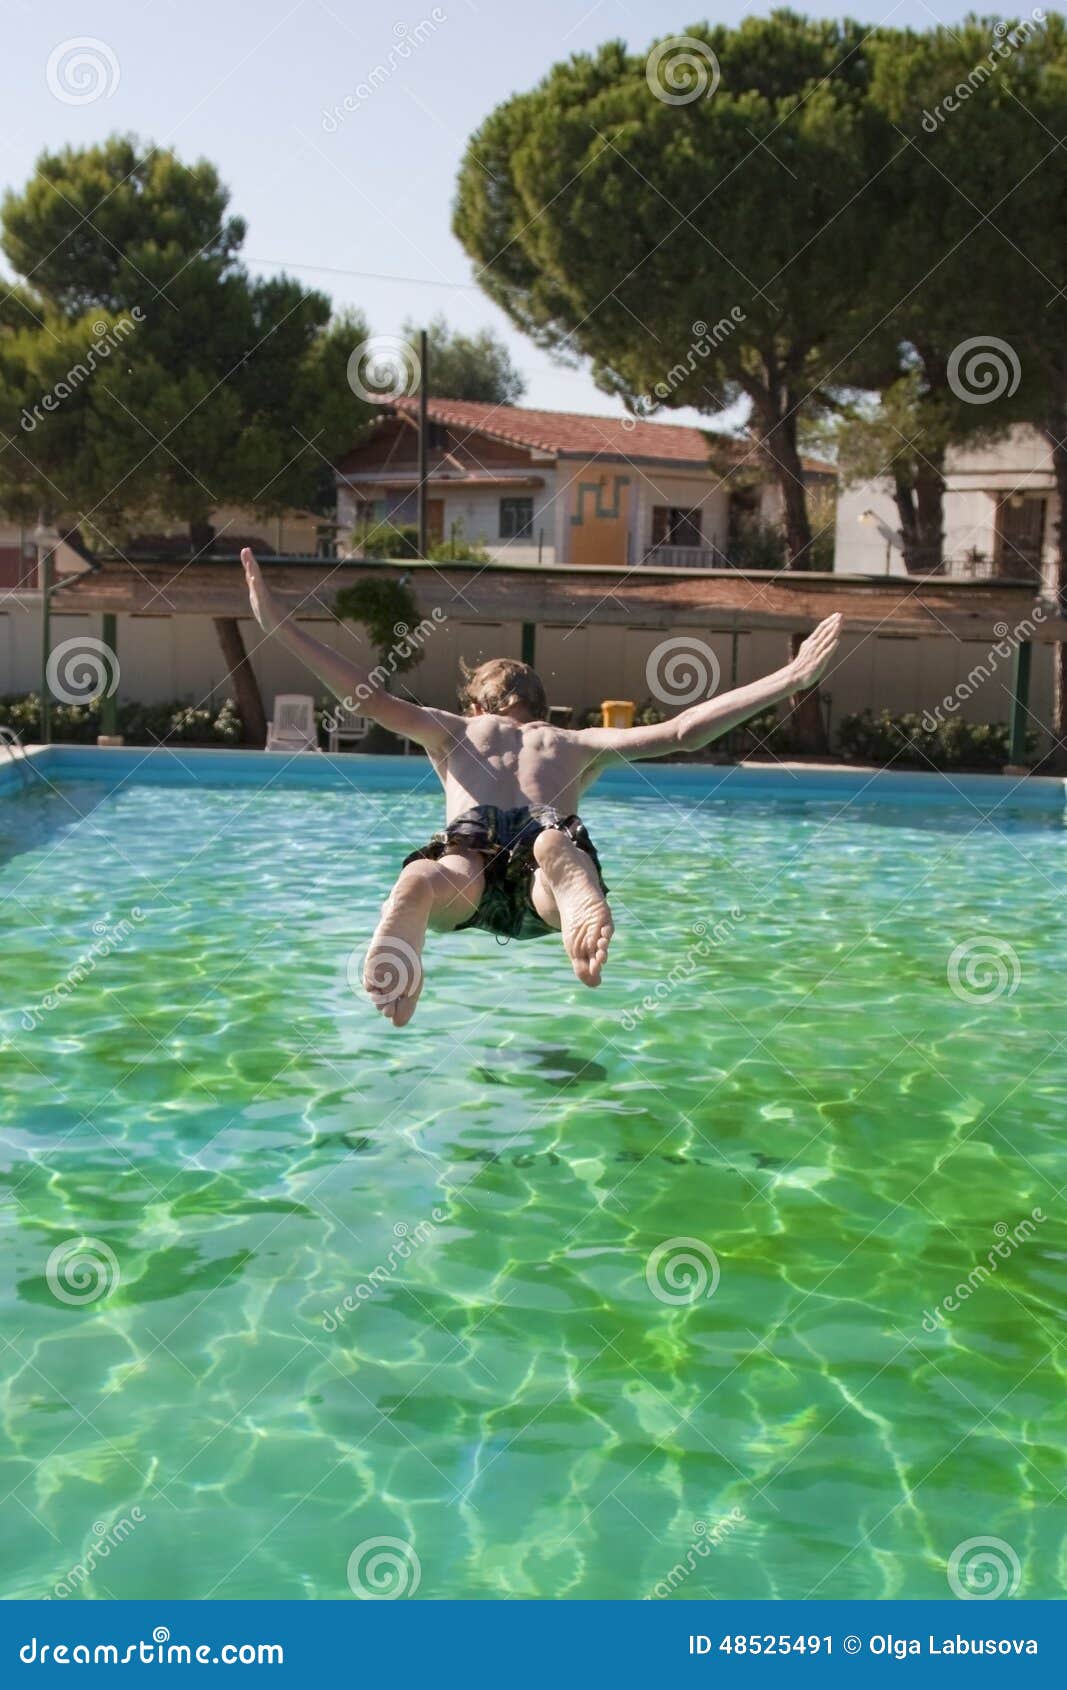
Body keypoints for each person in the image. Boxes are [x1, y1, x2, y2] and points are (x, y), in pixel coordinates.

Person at [240, 548, 841, 1026]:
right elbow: (682, 731)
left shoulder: (455, 729)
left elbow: (366, 696)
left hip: (468, 867)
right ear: (539, 707)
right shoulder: (571, 742)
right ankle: (566, 875)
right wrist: (789, 678)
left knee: (426, 878)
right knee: (553, 847)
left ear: (478, 702)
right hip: (540, 870)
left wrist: (279, 626)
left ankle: (410, 914)